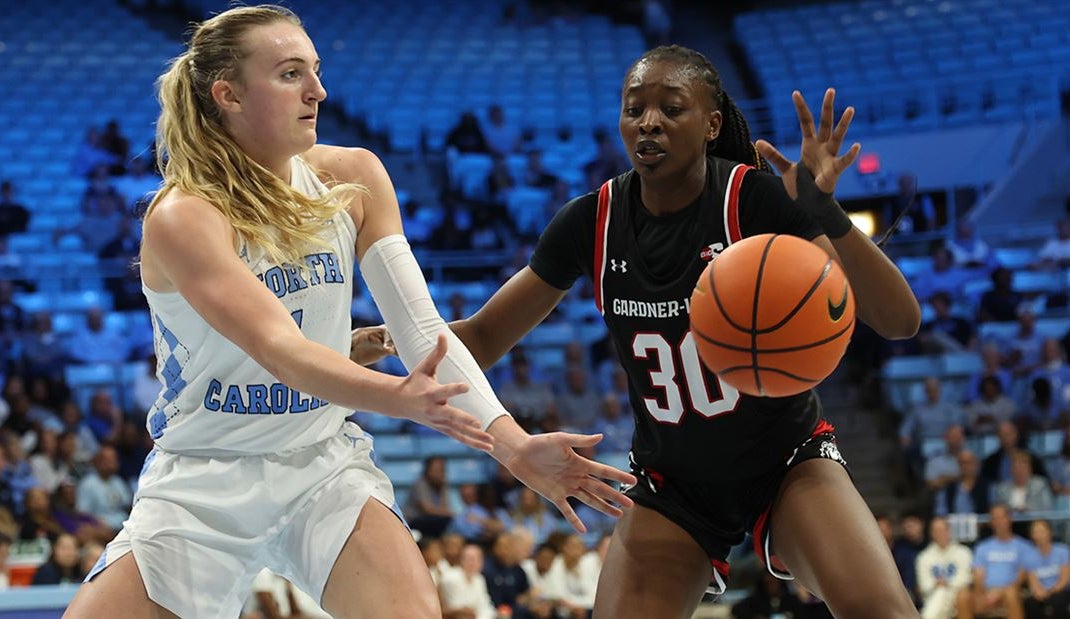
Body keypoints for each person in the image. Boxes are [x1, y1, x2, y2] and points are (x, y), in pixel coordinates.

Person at [64, 7, 631, 619]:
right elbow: (282, 349)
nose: (318, 91)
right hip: (204, 477)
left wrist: (512, 446)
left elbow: (422, 331)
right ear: (226, 94)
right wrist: (400, 396)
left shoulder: (355, 176)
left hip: (320, 467)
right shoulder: (183, 216)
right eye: (289, 74)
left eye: (315, 70)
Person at [440, 45, 922, 617]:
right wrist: (380, 342)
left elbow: (899, 320)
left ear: (712, 123)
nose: (649, 121)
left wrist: (825, 214)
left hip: (786, 459)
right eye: (634, 108)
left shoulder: (752, 199)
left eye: (671, 108)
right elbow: (483, 338)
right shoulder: (590, 222)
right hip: (674, 485)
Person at [957, 505, 1028, 619]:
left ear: (1009, 519)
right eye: (995, 518)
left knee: (1011, 594)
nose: (999, 521)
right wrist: (981, 594)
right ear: (991, 522)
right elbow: (978, 574)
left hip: (1010, 591)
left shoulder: (1023, 546)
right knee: (962, 595)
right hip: (986, 591)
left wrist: (1000, 592)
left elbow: (1022, 575)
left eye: (1002, 517)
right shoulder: (983, 547)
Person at [916, 517, 972, 619]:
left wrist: (947, 583)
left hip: (957, 596)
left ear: (949, 531)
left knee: (949, 594)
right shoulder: (923, 557)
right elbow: (924, 585)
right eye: (936, 531)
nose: (940, 534)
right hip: (933, 596)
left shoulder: (963, 552)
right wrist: (937, 584)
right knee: (940, 592)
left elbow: (966, 579)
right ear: (932, 534)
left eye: (942, 530)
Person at [1021, 519, 1070, 619]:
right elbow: (1033, 581)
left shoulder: (1063, 551)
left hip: (1061, 590)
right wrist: (1039, 591)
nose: (1040, 535)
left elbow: (1064, 580)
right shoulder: (1029, 556)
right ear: (1032, 536)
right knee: (1030, 603)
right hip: (1041, 592)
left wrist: (1050, 592)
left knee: (1058, 602)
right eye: (1036, 532)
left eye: (1043, 531)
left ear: (1050, 532)